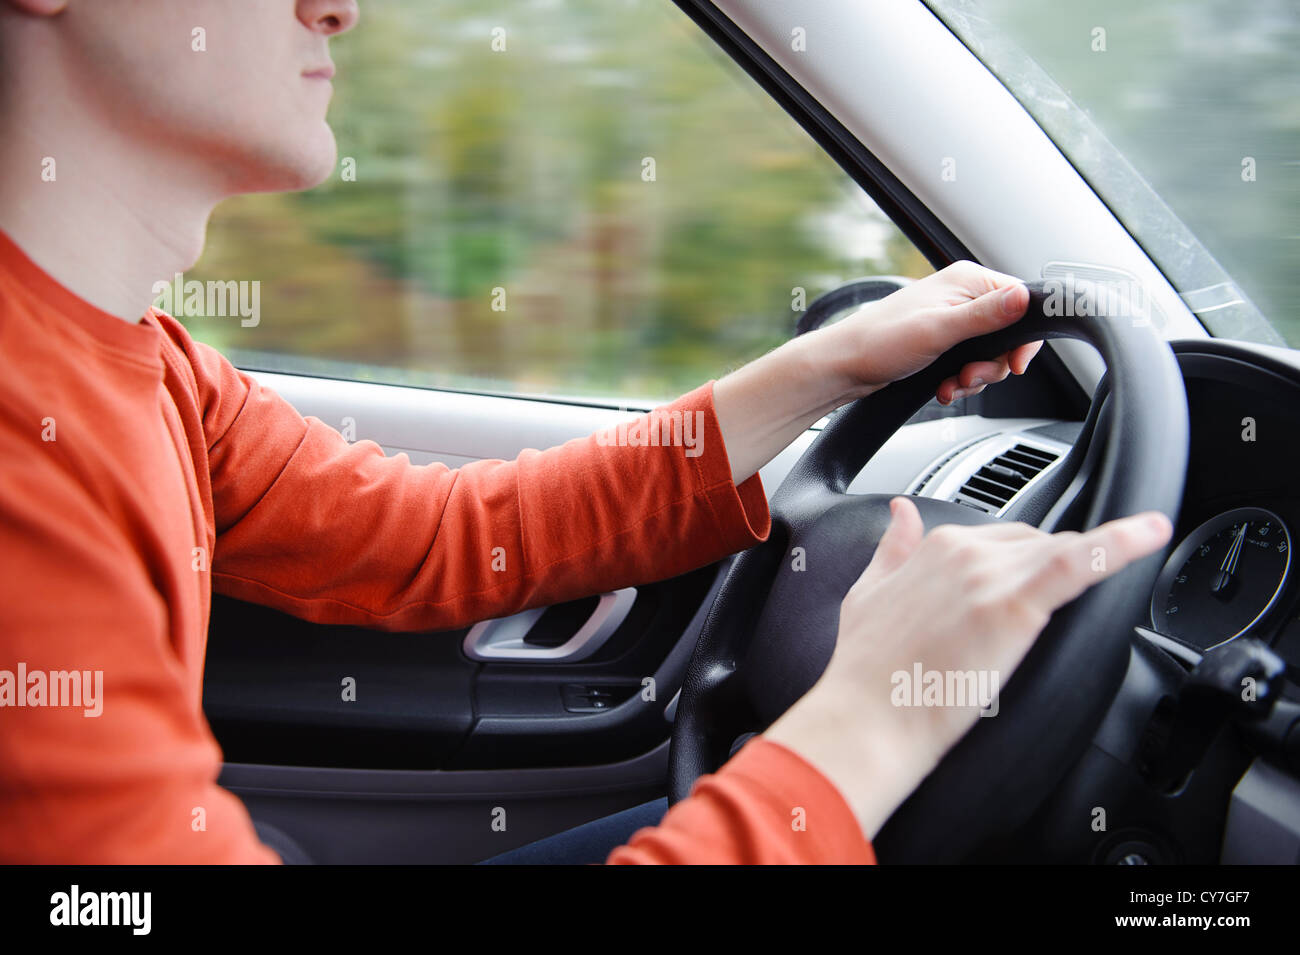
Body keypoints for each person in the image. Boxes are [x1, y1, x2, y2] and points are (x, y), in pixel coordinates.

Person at [0, 0, 1172, 864]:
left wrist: (821, 371)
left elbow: (442, 535)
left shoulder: (145, 362)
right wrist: (875, 717)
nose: (338, 9)